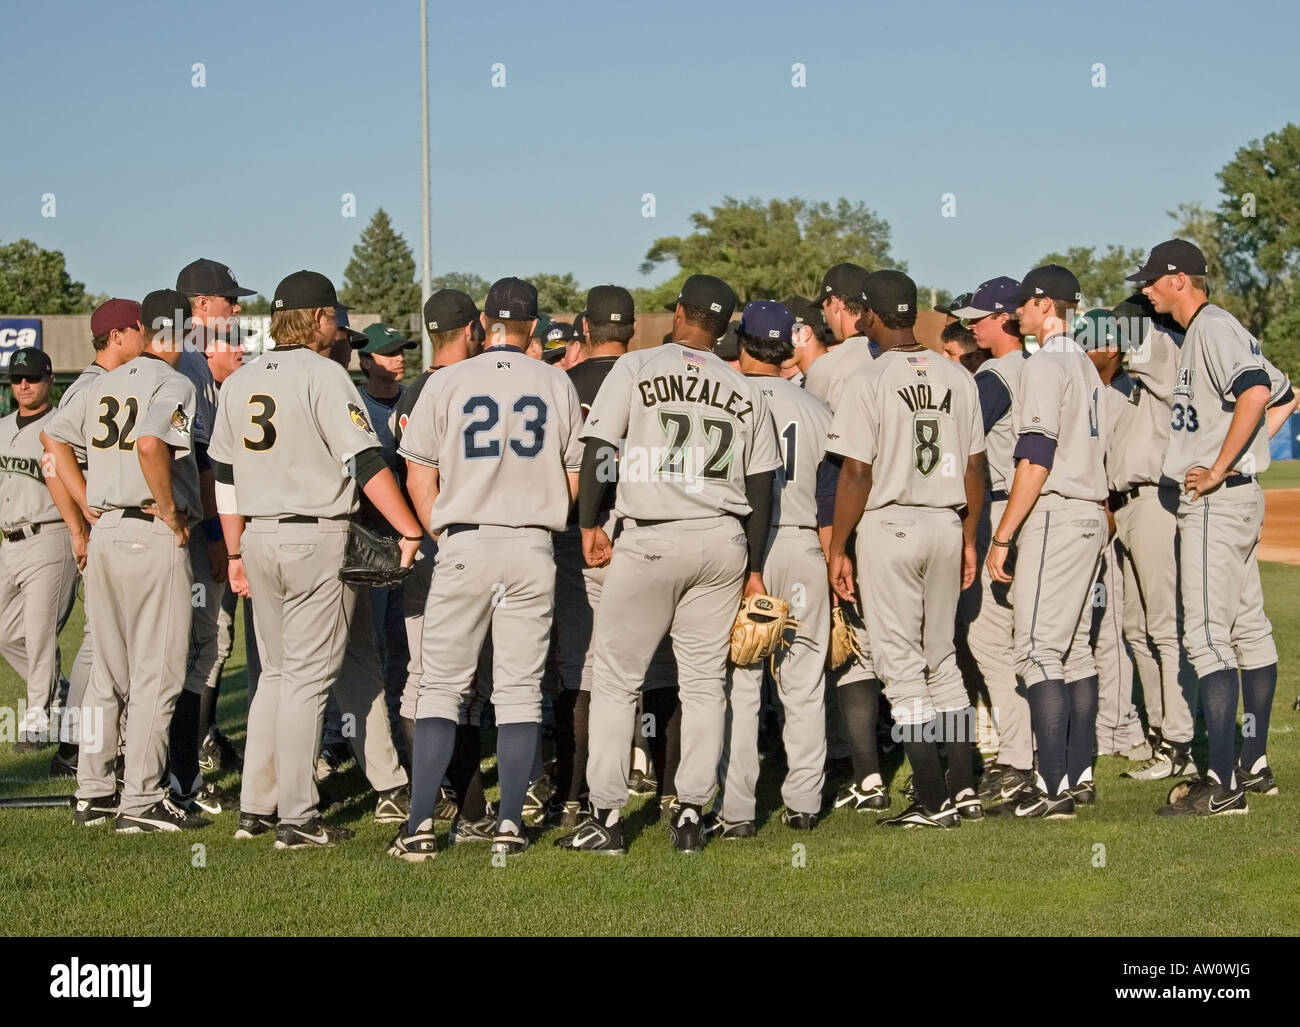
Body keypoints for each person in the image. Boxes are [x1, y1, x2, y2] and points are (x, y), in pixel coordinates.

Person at [555, 273, 781, 855]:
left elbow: (601, 450)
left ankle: (605, 817)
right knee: (705, 685)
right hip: (724, 539)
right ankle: (688, 815)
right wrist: (755, 566)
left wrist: (587, 524)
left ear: (678, 312)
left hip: (653, 534)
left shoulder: (637, 367)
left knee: (615, 679)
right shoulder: (744, 387)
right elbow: (762, 489)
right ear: (726, 326)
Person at [210, 270, 423, 849]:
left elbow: (224, 481)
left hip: (257, 534)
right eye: (333, 315)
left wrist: (233, 550)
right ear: (321, 318)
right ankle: (297, 817)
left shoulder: (240, 380)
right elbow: (366, 463)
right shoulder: (325, 375)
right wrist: (409, 527)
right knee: (306, 678)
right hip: (316, 534)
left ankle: (257, 803)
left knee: (277, 676)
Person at [392, 276, 585, 861]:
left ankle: (420, 826)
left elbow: (418, 476)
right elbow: (576, 477)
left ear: (483, 323)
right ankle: (507, 825)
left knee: (440, 689)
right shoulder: (556, 382)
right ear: (532, 326)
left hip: (465, 543)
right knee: (522, 692)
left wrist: (442, 533)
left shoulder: (446, 381)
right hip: (531, 544)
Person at [827, 271, 987, 828]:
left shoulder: (868, 378)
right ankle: (962, 785)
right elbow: (974, 467)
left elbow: (855, 470)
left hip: (890, 523)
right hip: (945, 521)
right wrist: (968, 538)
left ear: (869, 314)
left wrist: (837, 547)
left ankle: (929, 797)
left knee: (899, 666)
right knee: (943, 659)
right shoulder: (957, 375)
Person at [46, 289, 208, 832]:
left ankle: (92, 792)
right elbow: (148, 444)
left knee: (106, 676)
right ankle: (140, 801)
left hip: (108, 531)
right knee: (157, 674)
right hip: (150, 528)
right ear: (179, 331)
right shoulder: (175, 381)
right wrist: (169, 510)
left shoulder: (104, 382)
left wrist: (87, 500)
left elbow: (52, 438)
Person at [1130, 241, 1278, 815]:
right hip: (1238, 498)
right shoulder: (1210, 331)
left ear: (1178, 279)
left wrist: (1220, 465)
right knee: (1249, 629)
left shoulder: (1212, 328)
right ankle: (1254, 763)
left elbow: (1259, 391)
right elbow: (1284, 392)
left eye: (1151, 281)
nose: (1145, 289)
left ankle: (1222, 784)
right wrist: (1245, 453)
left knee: (1207, 639)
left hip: (1217, 501)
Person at [985, 265, 1107, 820]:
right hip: (1090, 513)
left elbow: (1035, 455)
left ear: (1044, 306)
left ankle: (1051, 788)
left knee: (1035, 650)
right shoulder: (1083, 362)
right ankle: (1078, 774)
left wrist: (1002, 535)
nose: (1017, 315)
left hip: (1056, 512)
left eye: (1025, 306)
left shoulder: (1045, 363)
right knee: (1074, 648)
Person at [714, 300, 832, 835]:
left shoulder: (725, 398)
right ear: (786, 345)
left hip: (744, 547)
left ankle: (738, 810)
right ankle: (804, 802)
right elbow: (832, 493)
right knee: (803, 682)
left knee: (741, 681)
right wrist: (836, 558)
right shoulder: (816, 407)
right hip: (805, 543)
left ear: (742, 343)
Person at [390, 289, 497, 843]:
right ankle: (461, 806)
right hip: (458, 540)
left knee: (426, 681)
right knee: (459, 686)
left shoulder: (412, 391)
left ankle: (445, 799)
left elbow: (402, 471)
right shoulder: (474, 384)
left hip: (422, 542)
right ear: (473, 328)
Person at [39, 299, 143, 779]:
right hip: (109, 532)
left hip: (104, 532)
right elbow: (53, 459)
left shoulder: (102, 383)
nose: (146, 335)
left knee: (97, 643)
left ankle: (76, 745)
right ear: (118, 335)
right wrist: (85, 520)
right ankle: (82, 748)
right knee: (103, 644)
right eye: (139, 328)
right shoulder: (95, 386)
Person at [803, 264, 889, 813]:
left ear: (839, 305)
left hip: (852, 515)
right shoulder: (922, 363)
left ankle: (866, 772)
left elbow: (829, 467)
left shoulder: (833, 367)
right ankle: (947, 772)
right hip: (920, 517)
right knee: (918, 649)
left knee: (850, 647)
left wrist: (834, 543)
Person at [951, 278, 1037, 804]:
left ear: (1006, 318)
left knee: (988, 636)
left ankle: (1016, 756)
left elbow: (961, 438)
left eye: (980, 317)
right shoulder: (1044, 367)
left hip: (1003, 504)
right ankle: (1059, 761)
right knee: (1043, 640)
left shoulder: (996, 375)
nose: (972, 325)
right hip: (1039, 505)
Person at [1074, 308, 1148, 766]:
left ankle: (1122, 728)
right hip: (1092, 521)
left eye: (1089, 344)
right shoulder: (1092, 392)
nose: (1082, 351)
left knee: (1116, 629)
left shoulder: (1126, 396)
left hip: (1118, 518)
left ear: (1112, 349)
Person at [0, 347, 79, 752]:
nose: (24, 384)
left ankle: (38, 723)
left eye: (31, 377)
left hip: (51, 535)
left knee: (39, 632)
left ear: (50, 379)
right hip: (8, 540)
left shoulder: (62, 427)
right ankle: (63, 694)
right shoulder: (1, 427)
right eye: (16, 379)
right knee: (6, 632)